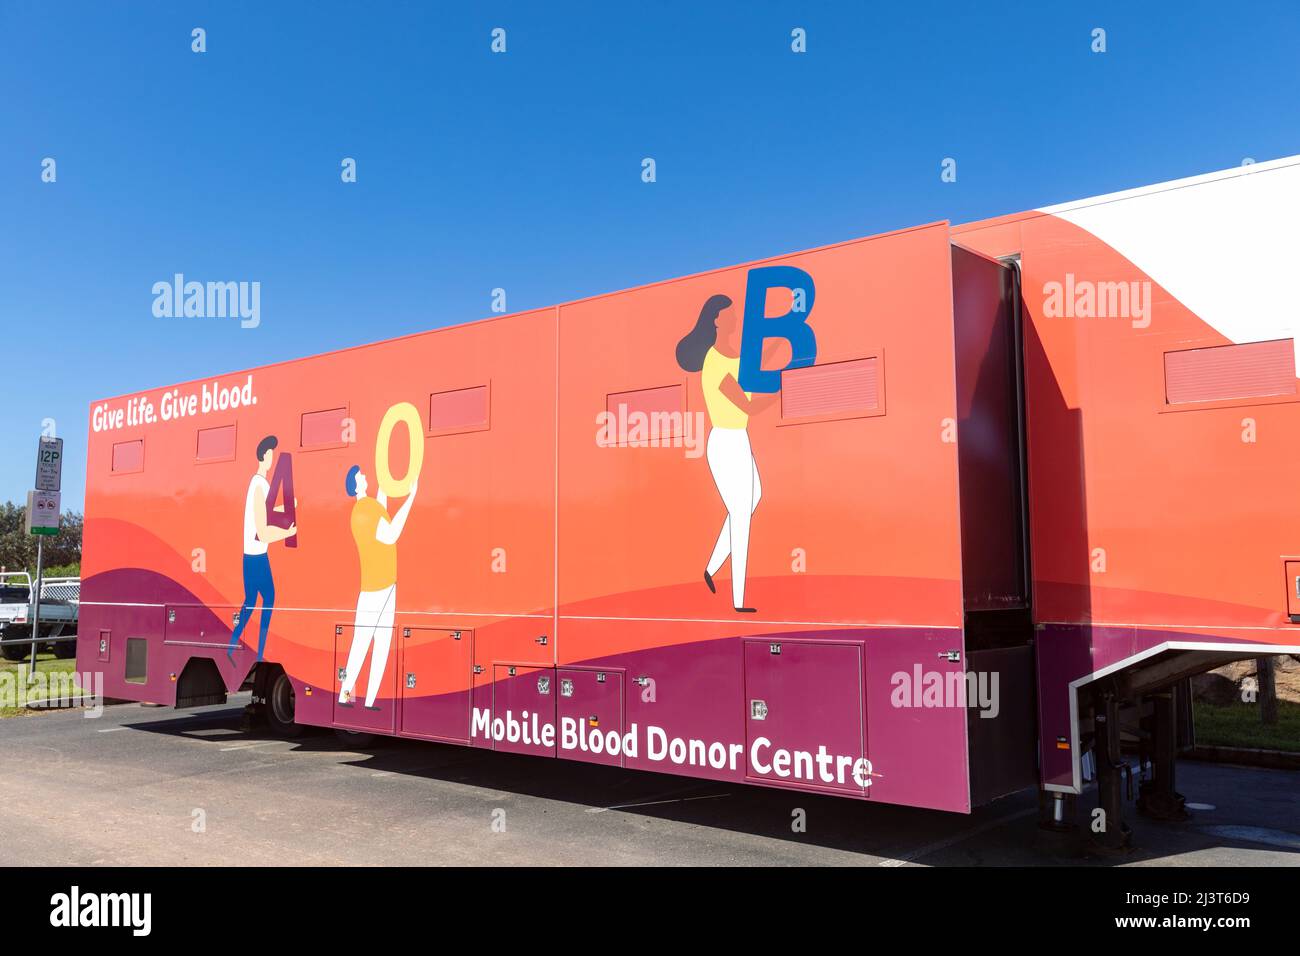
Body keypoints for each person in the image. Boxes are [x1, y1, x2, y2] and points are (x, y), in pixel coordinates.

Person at [676, 294, 784, 613]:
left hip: (740, 437)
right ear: (716, 321)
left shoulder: (732, 356)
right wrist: (782, 392)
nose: (736, 319)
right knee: (740, 515)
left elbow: (753, 364)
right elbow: (747, 404)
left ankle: (710, 568)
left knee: (753, 500)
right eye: (731, 315)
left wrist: (779, 344)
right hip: (725, 441)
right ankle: (738, 600)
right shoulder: (713, 362)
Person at [338, 466, 417, 709]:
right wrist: (411, 498)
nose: (364, 476)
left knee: (382, 643)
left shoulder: (370, 506)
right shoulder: (361, 512)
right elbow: (391, 533)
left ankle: (370, 700)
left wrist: (387, 484)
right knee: (363, 643)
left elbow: (382, 509)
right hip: (374, 589)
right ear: (355, 485)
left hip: (387, 584)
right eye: (360, 475)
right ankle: (345, 693)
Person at [227, 435, 296, 662]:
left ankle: (233, 644)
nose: (272, 458)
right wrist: (287, 532)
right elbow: (263, 531)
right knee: (267, 598)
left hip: (253, 557)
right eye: (271, 454)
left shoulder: (259, 484)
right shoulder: (258, 485)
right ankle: (259, 651)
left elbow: (265, 513)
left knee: (252, 601)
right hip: (256, 557)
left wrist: (285, 506)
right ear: (265, 456)